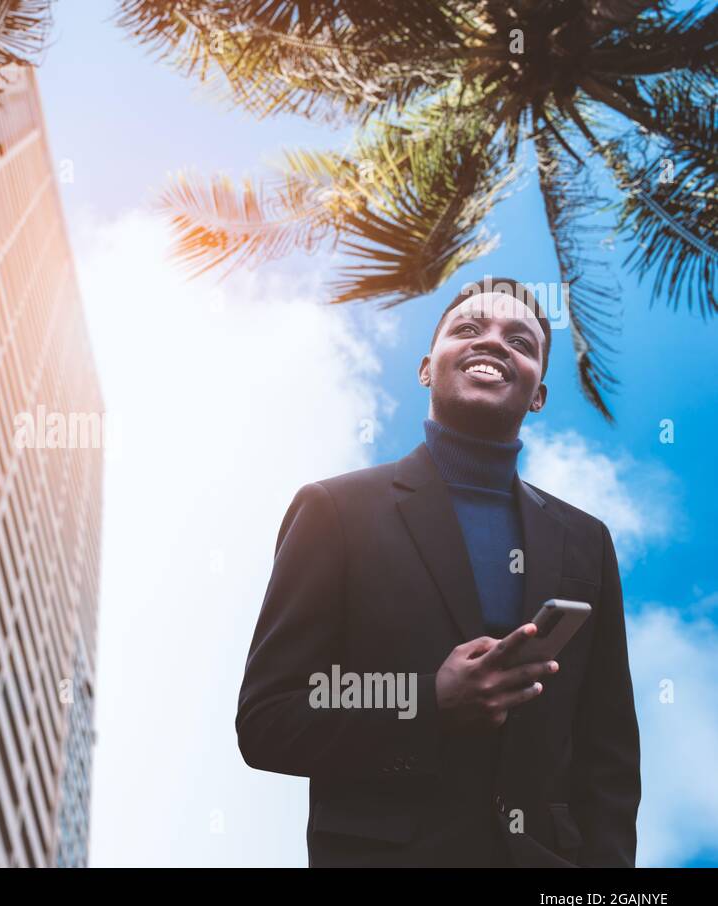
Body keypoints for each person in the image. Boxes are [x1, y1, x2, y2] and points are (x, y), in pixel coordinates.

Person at [236, 276, 641, 867]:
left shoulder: (586, 541)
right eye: (469, 329)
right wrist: (428, 704)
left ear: (538, 396)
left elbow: (609, 756)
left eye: (521, 342)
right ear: (427, 368)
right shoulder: (334, 512)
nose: (494, 343)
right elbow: (268, 720)